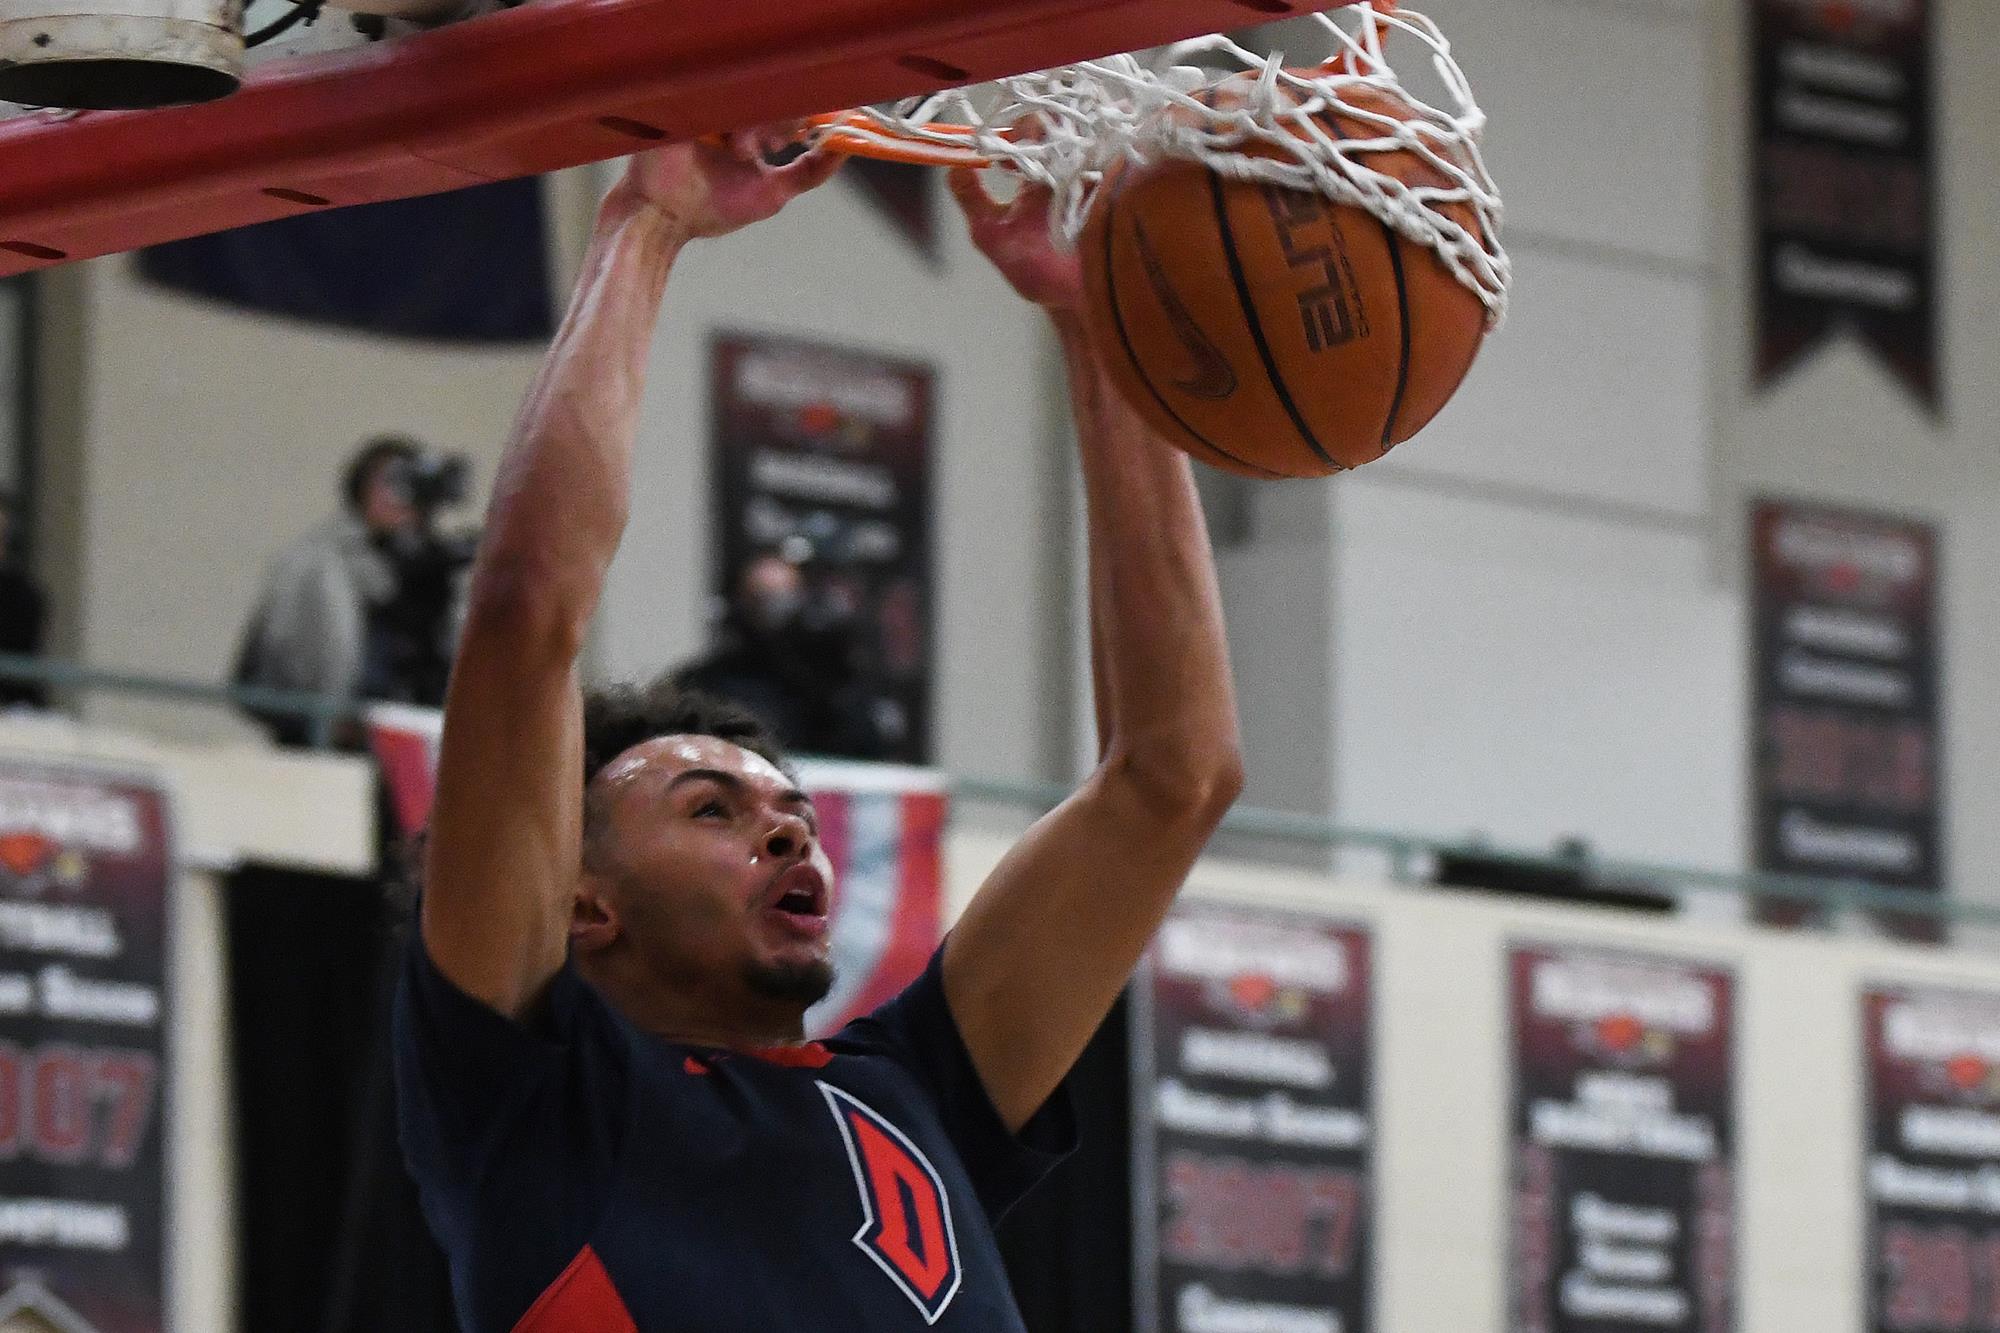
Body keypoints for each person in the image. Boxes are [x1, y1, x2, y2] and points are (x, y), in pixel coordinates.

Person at [394, 126, 1243, 1332]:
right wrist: (647, 225)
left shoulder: (913, 1089)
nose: (791, 838)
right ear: (585, 901)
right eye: (715, 810)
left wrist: (1096, 333)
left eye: (793, 815)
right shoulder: (529, 1098)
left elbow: (1176, 773)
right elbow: (528, 611)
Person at [233, 435, 472, 744]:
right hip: (329, 747)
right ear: (361, 489)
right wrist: (319, 723)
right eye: (390, 482)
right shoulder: (316, 564)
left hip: (420, 744)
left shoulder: (439, 570)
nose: (399, 498)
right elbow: (258, 677)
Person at [673, 550, 894, 759]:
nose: (777, 611)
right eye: (762, 599)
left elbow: (865, 756)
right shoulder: (704, 685)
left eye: (786, 599)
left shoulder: (831, 686)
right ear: (738, 604)